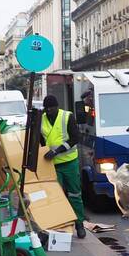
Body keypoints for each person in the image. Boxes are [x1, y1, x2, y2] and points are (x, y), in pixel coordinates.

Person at [40, 94, 86, 240]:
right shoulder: (41, 119)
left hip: (69, 162)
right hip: (51, 165)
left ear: (57, 107)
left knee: (74, 194)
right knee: (55, 196)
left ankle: (79, 224)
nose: (49, 111)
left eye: (51, 108)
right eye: (46, 108)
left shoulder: (67, 117)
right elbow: (40, 140)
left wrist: (56, 151)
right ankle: (60, 226)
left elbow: (75, 138)